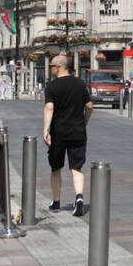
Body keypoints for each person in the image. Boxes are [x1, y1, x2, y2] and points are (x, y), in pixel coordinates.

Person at [43, 54, 92, 217]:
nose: (50, 69)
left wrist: (46, 129)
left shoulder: (52, 86)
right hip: (78, 131)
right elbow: (89, 106)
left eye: (51, 66)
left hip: (59, 132)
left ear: (58, 67)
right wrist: (84, 121)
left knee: (56, 167)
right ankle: (79, 197)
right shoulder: (80, 83)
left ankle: (56, 202)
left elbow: (49, 108)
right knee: (76, 167)